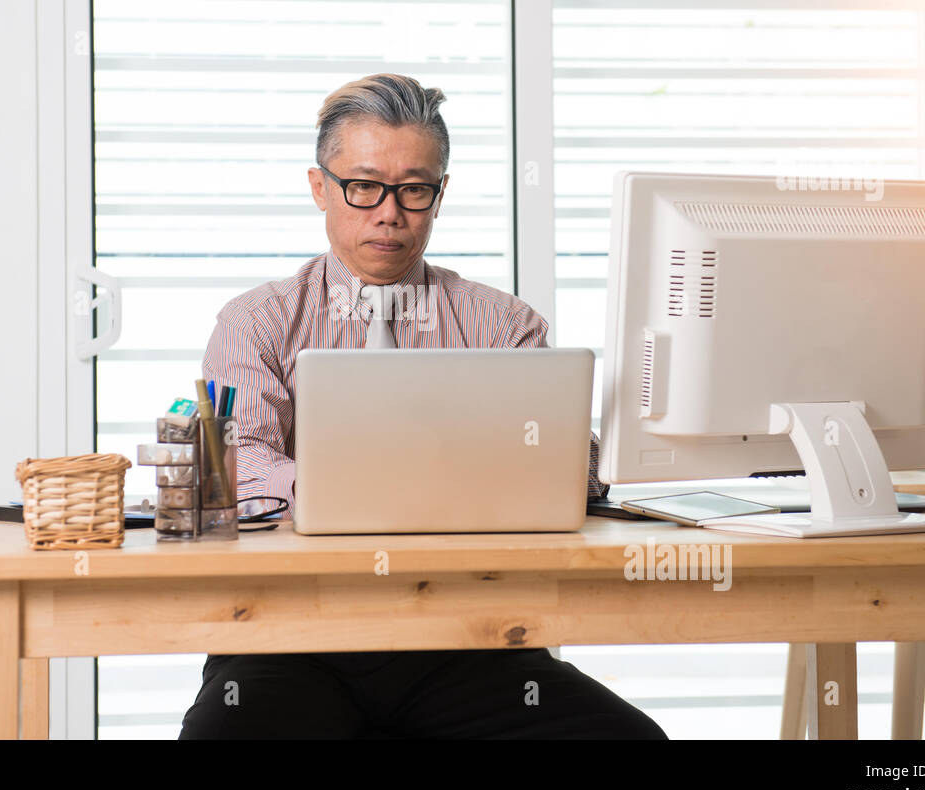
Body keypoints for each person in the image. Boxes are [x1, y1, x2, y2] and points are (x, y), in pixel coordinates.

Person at [180, 73, 666, 740]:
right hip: (289, 638)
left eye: (414, 189)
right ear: (320, 187)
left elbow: (569, 467)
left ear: (440, 194)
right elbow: (237, 465)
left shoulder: (502, 326)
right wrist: (376, 491)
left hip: (469, 638)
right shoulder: (256, 323)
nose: (388, 212)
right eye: (363, 185)